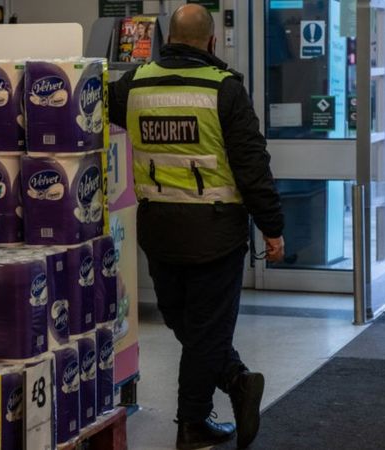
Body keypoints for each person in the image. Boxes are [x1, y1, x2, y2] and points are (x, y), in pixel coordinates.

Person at [108, 4, 285, 449]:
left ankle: (222, 396)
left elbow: (96, 108)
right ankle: (201, 418)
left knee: (186, 322)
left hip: (159, 229)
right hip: (215, 232)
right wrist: (272, 226)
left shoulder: (134, 85)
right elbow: (251, 164)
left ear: (168, 37)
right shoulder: (224, 89)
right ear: (211, 41)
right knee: (205, 328)